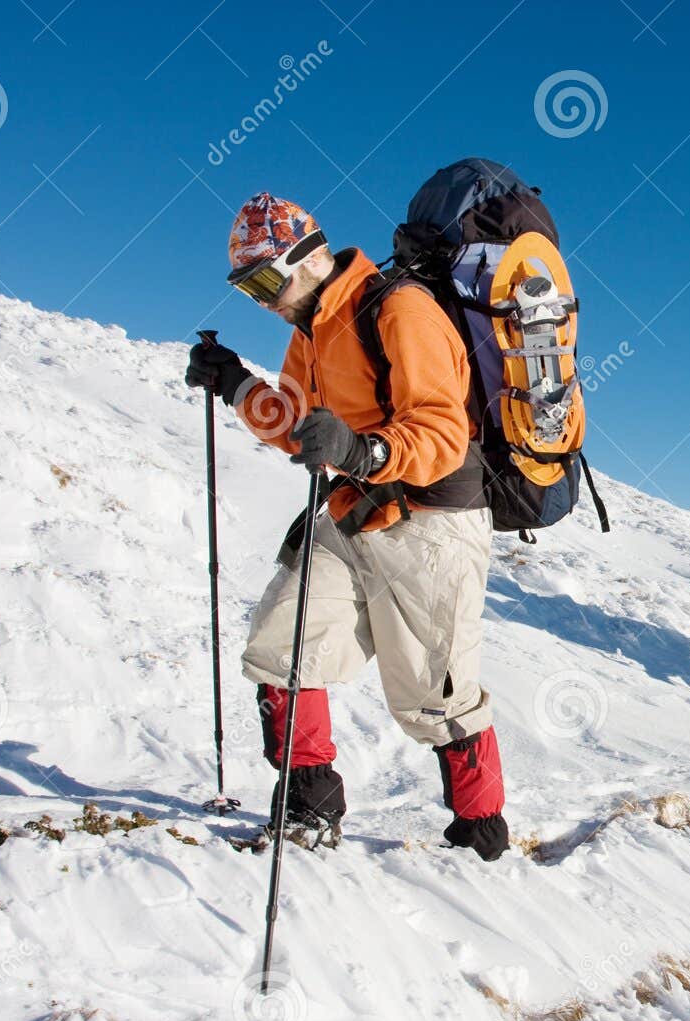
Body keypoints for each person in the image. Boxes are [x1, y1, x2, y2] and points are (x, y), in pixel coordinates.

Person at [183, 192, 508, 860]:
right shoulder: (310, 332)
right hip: (353, 509)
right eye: (248, 288)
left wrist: (365, 451)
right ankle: (309, 806)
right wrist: (235, 383)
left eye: (268, 279)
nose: (264, 300)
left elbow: (443, 432)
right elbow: (303, 433)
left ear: (309, 256)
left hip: (433, 521)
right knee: (281, 644)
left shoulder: (398, 308)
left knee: (433, 696)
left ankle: (481, 835)